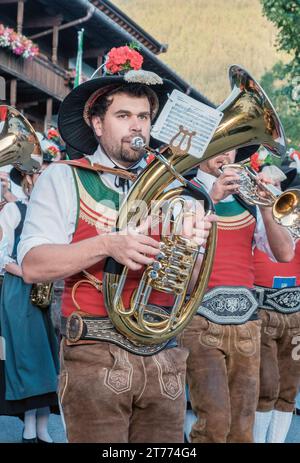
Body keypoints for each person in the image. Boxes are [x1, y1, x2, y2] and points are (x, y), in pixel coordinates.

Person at [17, 45, 215, 443]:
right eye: (123, 116)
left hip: (164, 357)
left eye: (143, 117)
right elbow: (33, 266)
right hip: (94, 353)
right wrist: (108, 244)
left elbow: (191, 284)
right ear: (96, 122)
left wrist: (192, 250)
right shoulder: (63, 178)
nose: (136, 127)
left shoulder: (175, 189)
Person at [179, 150, 295, 443]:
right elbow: (179, 262)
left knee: (243, 427)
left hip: (247, 323)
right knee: (214, 424)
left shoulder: (248, 200)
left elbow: (284, 253)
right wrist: (211, 198)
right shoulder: (182, 193)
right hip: (200, 321)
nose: (227, 154)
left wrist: (267, 205)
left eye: (233, 147)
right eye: (221, 146)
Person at [0, 153, 60, 443]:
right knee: (27, 355)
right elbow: (0, 255)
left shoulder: (52, 215)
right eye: (40, 177)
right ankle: (28, 427)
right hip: (20, 286)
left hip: (47, 285)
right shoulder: (13, 211)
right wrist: (27, 271)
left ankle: (42, 427)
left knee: (48, 355)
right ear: (28, 179)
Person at [253, 166, 300, 443]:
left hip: (295, 314)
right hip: (263, 311)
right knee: (267, 384)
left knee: (289, 387)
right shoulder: (260, 215)